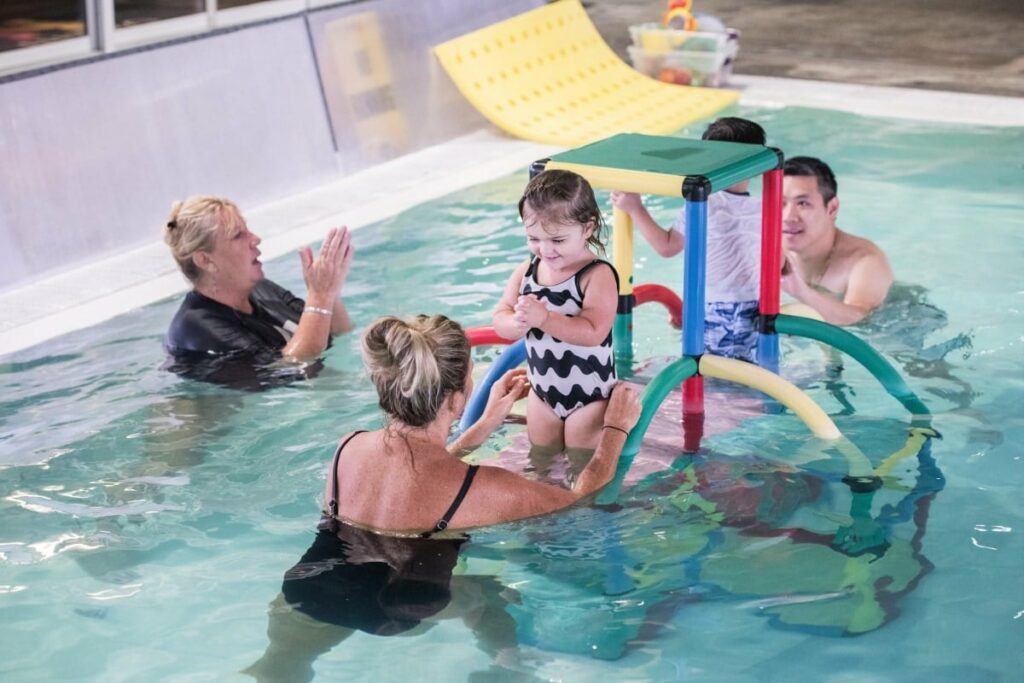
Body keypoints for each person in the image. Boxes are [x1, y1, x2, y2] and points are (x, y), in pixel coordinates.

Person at [327, 313, 640, 534]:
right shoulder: (487, 488)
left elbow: (415, 481)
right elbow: (579, 501)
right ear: (454, 399)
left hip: (312, 591)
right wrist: (615, 429)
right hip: (414, 610)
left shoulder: (348, 447)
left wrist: (484, 425)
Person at [611, 117, 767, 362]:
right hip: (758, 309)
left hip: (714, 308)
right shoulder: (763, 209)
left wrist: (635, 208)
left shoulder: (703, 203)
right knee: (745, 369)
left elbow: (667, 247)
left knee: (708, 371)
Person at [493, 170, 620, 452]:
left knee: (581, 464)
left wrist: (545, 319)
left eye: (557, 240)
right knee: (541, 463)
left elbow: (594, 333)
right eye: (534, 238)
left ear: (587, 228)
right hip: (542, 396)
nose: (545, 250)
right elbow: (500, 316)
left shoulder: (595, 275)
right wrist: (515, 323)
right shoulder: (526, 272)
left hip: (590, 398)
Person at [161, 196, 354, 380]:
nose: (255, 239)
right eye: (238, 235)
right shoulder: (197, 327)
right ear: (205, 260)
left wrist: (330, 291)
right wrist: (319, 296)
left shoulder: (261, 289)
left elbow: (334, 333)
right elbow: (289, 367)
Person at [781, 156, 894, 325]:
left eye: (803, 203)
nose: (788, 217)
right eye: (780, 203)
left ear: (832, 208)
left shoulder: (864, 261)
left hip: (896, 321)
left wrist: (800, 291)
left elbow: (860, 319)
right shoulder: (764, 246)